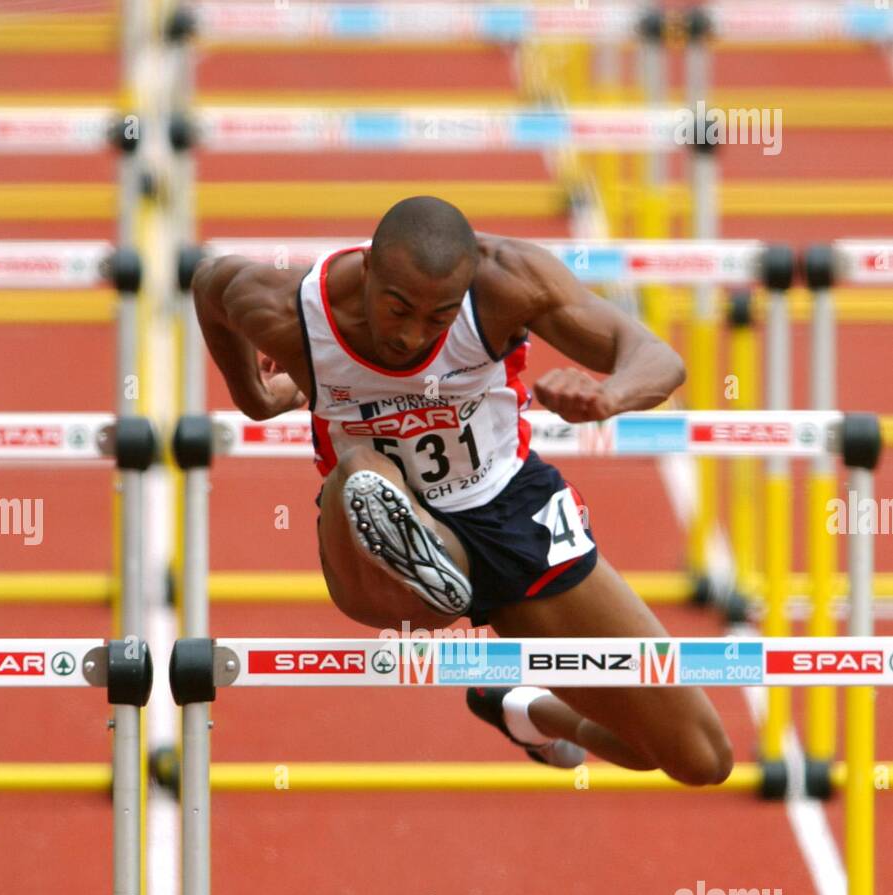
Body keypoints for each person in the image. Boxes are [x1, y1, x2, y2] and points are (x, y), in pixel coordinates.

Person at [192, 196, 733, 784]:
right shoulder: (289, 308)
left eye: (438, 317)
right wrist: (255, 397)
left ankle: (524, 709)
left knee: (696, 757)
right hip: (372, 542)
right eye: (398, 310)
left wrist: (610, 397)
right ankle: (421, 552)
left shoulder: (506, 280)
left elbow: (656, 357)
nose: (412, 336)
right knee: (362, 471)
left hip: (511, 512)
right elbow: (207, 284)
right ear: (368, 268)